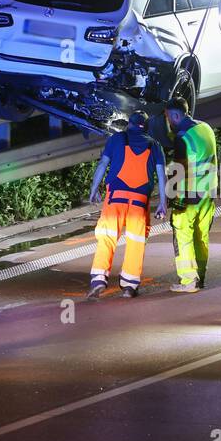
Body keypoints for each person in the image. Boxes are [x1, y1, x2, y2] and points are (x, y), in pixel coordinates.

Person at [86, 110, 167, 299]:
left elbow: (102, 165)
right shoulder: (154, 145)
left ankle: (98, 279)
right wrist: (163, 202)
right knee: (136, 241)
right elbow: (161, 175)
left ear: (128, 123)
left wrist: (93, 189)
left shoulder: (116, 139)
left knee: (107, 237)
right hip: (139, 202)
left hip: (115, 199)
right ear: (146, 127)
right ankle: (130, 285)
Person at [164, 97, 217, 293]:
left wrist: (170, 196)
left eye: (169, 117)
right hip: (209, 191)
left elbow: (179, 169)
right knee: (201, 236)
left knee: (183, 235)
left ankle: (189, 280)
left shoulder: (182, 137)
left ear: (176, 115)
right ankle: (200, 276)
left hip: (189, 194)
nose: (169, 122)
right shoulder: (206, 128)